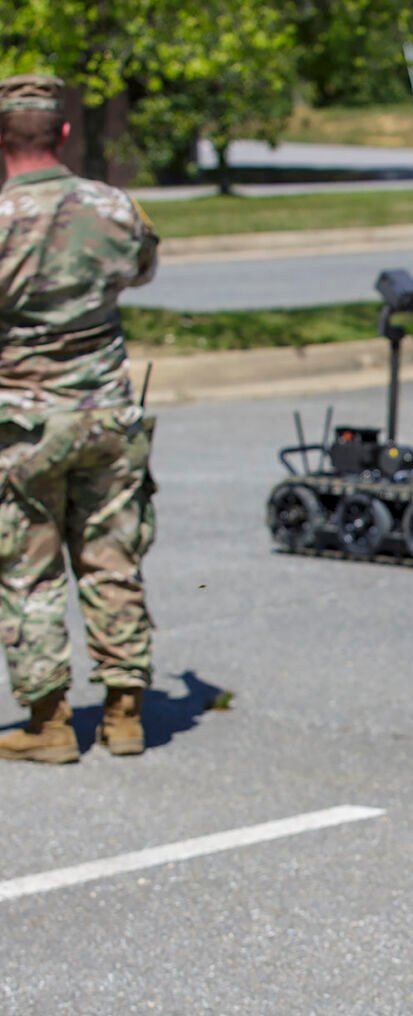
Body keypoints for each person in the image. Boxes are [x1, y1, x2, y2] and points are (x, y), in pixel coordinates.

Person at [0, 73, 159, 762]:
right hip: (108, 418)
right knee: (111, 557)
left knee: (29, 572)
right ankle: (124, 714)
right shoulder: (115, 207)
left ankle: (49, 722)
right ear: (63, 133)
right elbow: (142, 268)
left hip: (23, 423)